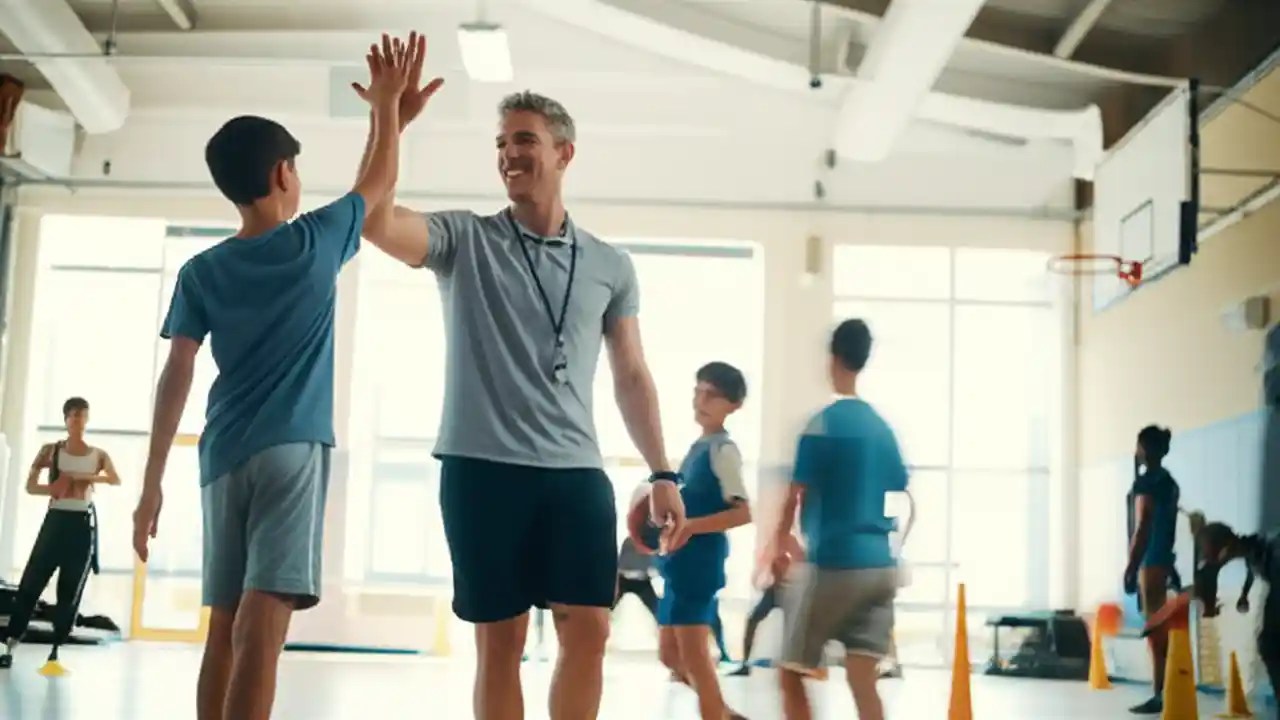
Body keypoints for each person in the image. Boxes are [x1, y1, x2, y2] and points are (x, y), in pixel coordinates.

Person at [358, 84, 687, 719]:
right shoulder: (464, 239)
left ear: (564, 153)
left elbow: (631, 374)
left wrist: (663, 473)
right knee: (500, 642)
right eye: (502, 143)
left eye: (525, 140)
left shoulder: (610, 265)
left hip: (575, 472)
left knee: (590, 630)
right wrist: (388, 123)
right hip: (483, 470)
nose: (509, 153)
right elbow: (374, 222)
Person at [129, 33, 425, 720]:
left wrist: (150, 484)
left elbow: (175, 376)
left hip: (221, 456)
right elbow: (377, 185)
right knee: (263, 629)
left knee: (224, 627)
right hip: (291, 453)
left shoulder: (202, 270)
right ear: (285, 174)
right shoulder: (313, 242)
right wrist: (388, 112)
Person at [768, 319, 910, 720]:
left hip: (836, 564)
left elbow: (795, 494)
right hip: (880, 568)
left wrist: (779, 545)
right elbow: (898, 489)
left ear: (833, 358)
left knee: (790, 671)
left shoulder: (823, 423)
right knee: (863, 681)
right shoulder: (883, 429)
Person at [644, 362, 751, 720]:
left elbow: (743, 512)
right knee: (670, 655)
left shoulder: (724, 450)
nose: (701, 400)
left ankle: (717, 714)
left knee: (694, 657)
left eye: (712, 395)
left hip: (699, 565)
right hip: (679, 566)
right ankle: (725, 714)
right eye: (698, 391)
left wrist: (690, 527)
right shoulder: (697, 448)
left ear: (733, 404)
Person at [0, 397, 119, 671]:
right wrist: (52, 489)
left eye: (83, 415)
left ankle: (55, 651)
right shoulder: (50, 451)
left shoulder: (98, 455)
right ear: (66, 419)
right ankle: (9, 644)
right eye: (74, 415)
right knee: (31, 583)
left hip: (81, 525)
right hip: (56, 522)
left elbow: (114, 478)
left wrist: (83, 479)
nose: (78, 420)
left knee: (70, 590)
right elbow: (30, 486)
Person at [1123, 424, 1179, 715]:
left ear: (1144, 449)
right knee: (1160, 630)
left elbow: (1143, 525)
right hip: (1163, 559)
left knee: (1155, 631)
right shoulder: (1168, 482)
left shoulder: (1147, 484)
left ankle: (1160, 694)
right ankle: (1163, 691)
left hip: (1151, 561)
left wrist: (1131, 566)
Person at [1191, 519, 1280, 699]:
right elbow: (1251, 568)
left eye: (1214, 557)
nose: (1216, 563)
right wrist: (1244, 594)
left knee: (1269, 642)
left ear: (1226, 548)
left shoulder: (1272, 552)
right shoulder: (1255, 550)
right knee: (1268, 641)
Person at [727, 532, 802, 677]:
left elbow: (797, 560)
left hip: (789, 589)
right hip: (775, 589)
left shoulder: (789, 540)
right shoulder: (770, 541)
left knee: (794, 626)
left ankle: (797, 665)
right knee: (753, 620)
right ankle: (745, 665)